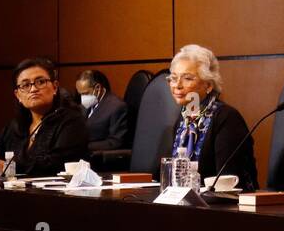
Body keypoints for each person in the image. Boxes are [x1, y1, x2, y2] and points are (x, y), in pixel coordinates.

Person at [155, 45, 257, 191]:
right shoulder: (183, 120)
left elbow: (228, 183)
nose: (177, 85)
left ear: (208, 85)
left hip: (226, 207)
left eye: (187, 78)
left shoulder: (227, 119)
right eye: (173, 78)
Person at [0, 58, 88, 176]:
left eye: (40, 82)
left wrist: (10, 167)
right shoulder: (15, 126)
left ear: (55, 87)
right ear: (18, 95)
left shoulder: (72, 121)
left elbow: (56, 163)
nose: (33, 89)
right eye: (25, 85)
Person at [76, 69, 130, 152]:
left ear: (97, 88)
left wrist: (84, 146)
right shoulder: (84, 106)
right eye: (80, 94)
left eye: (85, 93)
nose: (82, 98)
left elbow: (115, 142)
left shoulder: (117, 107)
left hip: (98, 157)